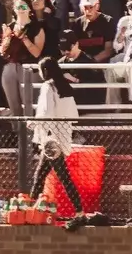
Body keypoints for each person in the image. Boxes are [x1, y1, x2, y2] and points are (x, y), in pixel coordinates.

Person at [29, 57, 85, 216]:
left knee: (62, 177)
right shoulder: (64, 85)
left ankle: (79, 210)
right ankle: (31, 208)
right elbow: (73, 114)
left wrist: (34, 123)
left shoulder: (48, 86)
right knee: (40, 175)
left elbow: (46, 112)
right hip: (62, 135)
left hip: (50, 138)